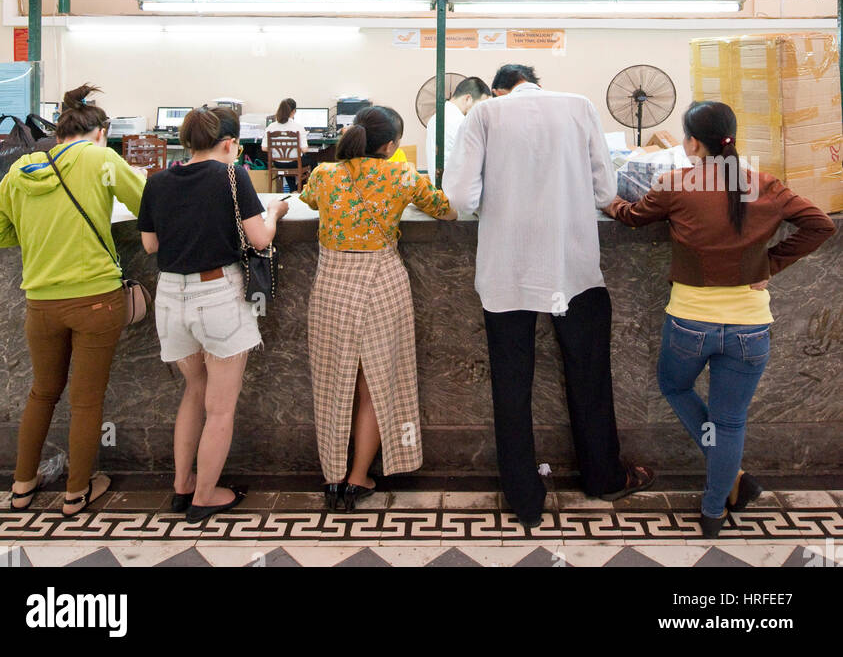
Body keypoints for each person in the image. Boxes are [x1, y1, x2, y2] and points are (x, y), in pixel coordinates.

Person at [603, 100, 835, 537]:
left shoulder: (676, 183)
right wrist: (770, 264)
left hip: (690, 322)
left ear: (692, 142)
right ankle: (715, 510)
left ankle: (732, 477)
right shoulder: (761, 183)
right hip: (751, 328)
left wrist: (610, 200)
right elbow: (821, 224)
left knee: (676, 386)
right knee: (730, 423)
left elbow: (633, 217)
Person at [444, 63, 653, 526]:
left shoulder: (484, 116)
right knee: (589, 373)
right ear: (534, 80)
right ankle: (603, 478)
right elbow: (606, 189)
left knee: (511, 384)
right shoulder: (580, 108)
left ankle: (524, 497)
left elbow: (458, 197)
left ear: (497, 90)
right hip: (572, 267)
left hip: (507, 272)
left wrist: (495, 199)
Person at [0, 84, 146, 516]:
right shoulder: (100, 158)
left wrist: (37, 237)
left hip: (41, 303)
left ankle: (21, 486)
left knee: (42, 394)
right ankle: (76, 493)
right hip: (95, 299)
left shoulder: (22, 170)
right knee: (86, 401)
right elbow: (147, 205)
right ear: (100, 131)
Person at [300, 104, 457, 511]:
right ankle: (357, 478)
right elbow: (448, 210)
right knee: (378, 382)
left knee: (335, 382)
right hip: (382, 284)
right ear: (389, 146)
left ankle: (332, 476)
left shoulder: (324, 174)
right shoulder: (402, 174)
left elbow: (307, 201)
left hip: (332, 286)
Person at [139, 106, 288, 523]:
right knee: (220, 407)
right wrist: (274, 213)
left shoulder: (157, 181)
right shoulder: (231, 175)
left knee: (193, 393)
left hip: (170, 296)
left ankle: (182, 486)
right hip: (217, 295)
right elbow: (259, 239)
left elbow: (150, 246)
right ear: (229, 144)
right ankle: (205, 495)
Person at [425, 76, 491, 178]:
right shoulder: (460, 122)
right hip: (455, 187)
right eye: (480, 106)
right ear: (468, 99)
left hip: (441, 187)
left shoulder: (435, 118)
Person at [262, 98, 316, 192]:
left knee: (288, 162)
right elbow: (304, 150)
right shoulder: (298, 127)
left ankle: (293, 189)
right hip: (294, 163)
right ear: (294, 111)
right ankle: (306, 190)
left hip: (278, 163)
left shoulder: (271, 127)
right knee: (312, 162)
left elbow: (264, 148)